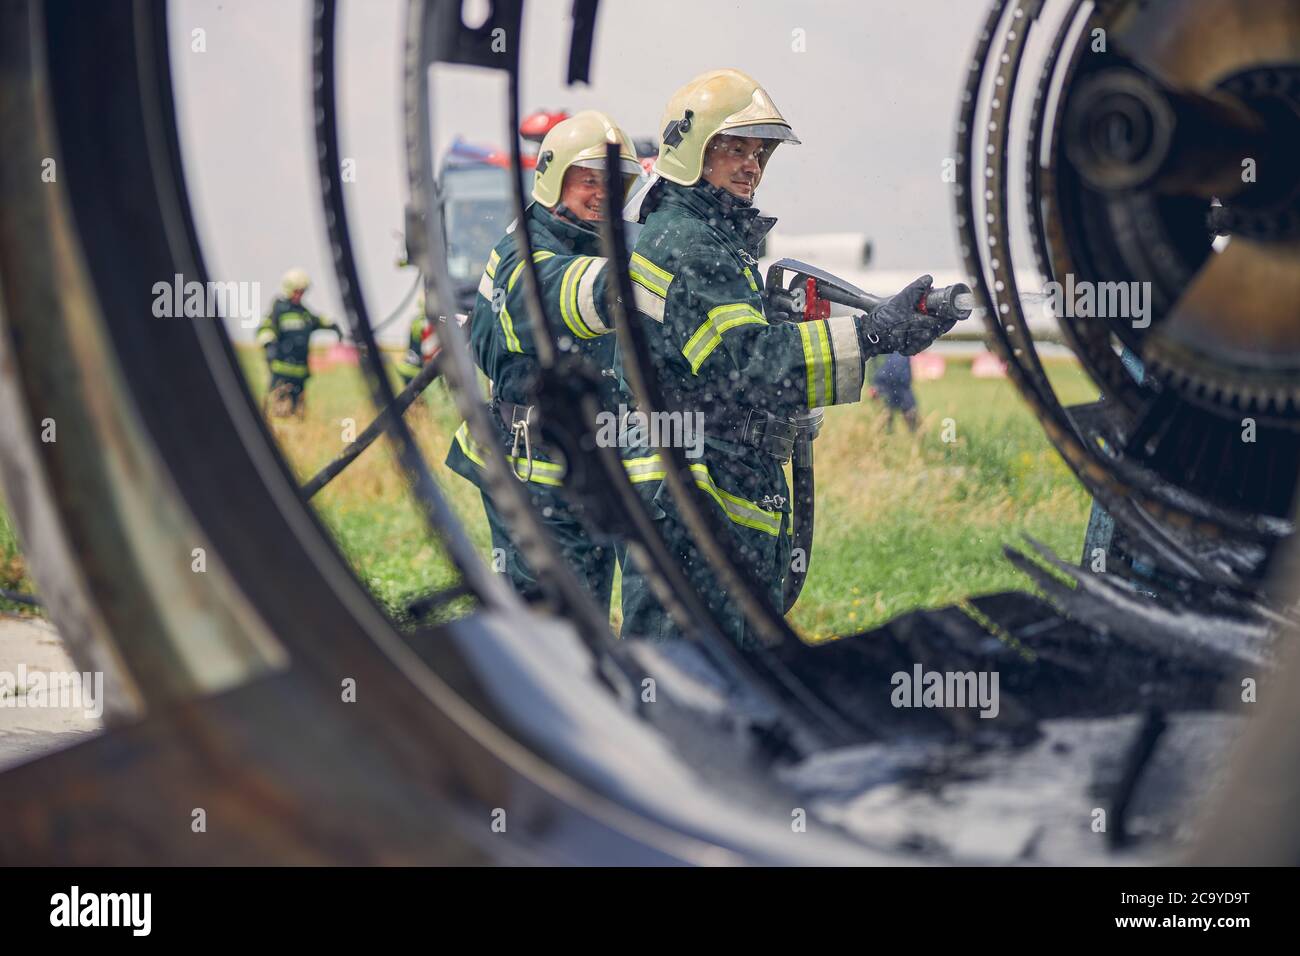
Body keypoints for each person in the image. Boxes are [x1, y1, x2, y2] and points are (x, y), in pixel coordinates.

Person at [617, 68, 955, 647]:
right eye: (736, 149)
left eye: (760, 153)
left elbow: (728, 352)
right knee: (689, 680)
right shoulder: (688, 245)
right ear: (692, 152)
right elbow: (750, 363)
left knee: (734, 678)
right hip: (694, 496)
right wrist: (871, 335)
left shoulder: (712, 240)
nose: (752, 165)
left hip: (720, 488)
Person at [444, 110, 642, 609]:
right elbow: (565, 292)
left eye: (615, 184)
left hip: (583, 462)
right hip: (530, 469)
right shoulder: (527, 253)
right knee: (552, 616)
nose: (604, 194)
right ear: (554, 180)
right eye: (589, 180)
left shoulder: (595, 240)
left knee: (587, 606)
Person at [256, 268, 341, 417]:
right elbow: (265, 328)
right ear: (289, 289)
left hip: (300, 373)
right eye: (297, 291)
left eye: (302, 292)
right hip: (281, 371)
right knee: (277, 412)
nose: (300, 295)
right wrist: (268, 345)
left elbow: (318, 320)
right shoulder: (278, 310)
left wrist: (334, 326)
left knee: (297, 413)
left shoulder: (303, 312)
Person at [869, 352, 919, 432]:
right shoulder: (877, 341)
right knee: (885, 416)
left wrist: (909, 378)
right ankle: (884, 441)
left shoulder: (904, 341)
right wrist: (872, 384)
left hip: (902, 383)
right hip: (883, 383)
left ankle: (916, 439)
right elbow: (872, 362)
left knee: (911, 414)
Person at [396, 292, 433, 388]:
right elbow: (428, 351)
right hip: (416, 371)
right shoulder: (427, 323)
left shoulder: (417, 320)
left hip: (407, 366)